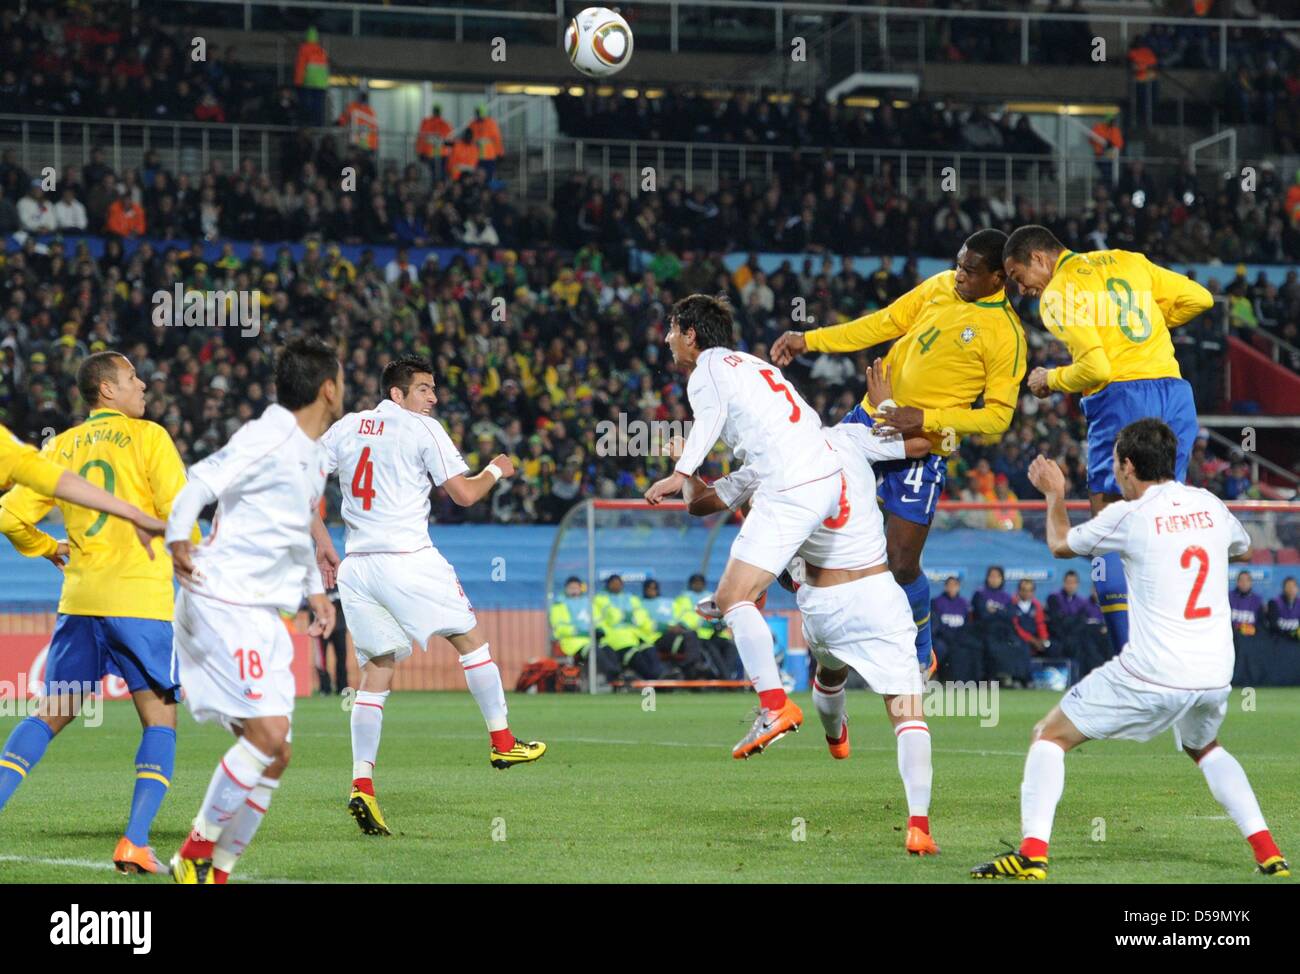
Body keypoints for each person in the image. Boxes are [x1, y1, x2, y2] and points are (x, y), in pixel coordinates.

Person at [972, 419, 1290, 880]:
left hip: (1154, 672)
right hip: (1214, 674)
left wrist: (1055, 494)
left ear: (1128, 465)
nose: (1115, 472)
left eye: (1116, 462)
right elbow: (1240, 549)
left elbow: (1061, 543)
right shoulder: (1209, 504)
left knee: (1048, 735)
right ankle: (1270, 854)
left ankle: (1032, 855)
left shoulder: (1129, 515)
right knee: (1205, 747)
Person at [680, 414, 939, 855]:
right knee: (907, 713)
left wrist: (684, 468)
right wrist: (891, 412)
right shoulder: (846, 437)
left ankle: (835, 735)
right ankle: (918, 827)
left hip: (821, 601)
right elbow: (923, 445)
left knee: (830, 672)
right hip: (876, 590)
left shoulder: (764, 463)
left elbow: (699, 503)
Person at [772, 230, 1026, 677]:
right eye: (959, 263)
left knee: (901, 563)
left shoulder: (1007, 335)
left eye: (970, 270)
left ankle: (921, 651)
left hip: (925, 446)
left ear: (998, 277)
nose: (959, 274)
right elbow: (884, 322)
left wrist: (923, 416)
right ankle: (796, 578)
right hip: (869, 419)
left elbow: (998, 418)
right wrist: (809, 340)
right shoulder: (940, 286)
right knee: (804, 499)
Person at [310, 355, 544, 837]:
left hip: (358, 567)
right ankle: (502, 740)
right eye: (423, 389)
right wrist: (497, 471)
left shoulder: (347, 427)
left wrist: (322, 543)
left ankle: (362, 784)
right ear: (397, 394)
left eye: (433, 389)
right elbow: (462, 494)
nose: (433, 398)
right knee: (471, 641)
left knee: (376, 672)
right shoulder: (423, 429)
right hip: (409, 558)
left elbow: (299, 485)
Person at [164, 337, 342, 884]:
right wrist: (177, 540)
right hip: (222, 597)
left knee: (278, 750)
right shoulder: (268, 434)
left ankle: (218, 870)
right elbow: (199, 479)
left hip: (260, 610)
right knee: (265, 736)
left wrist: (316, 592)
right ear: (329, 389)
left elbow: (293, 535)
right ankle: (193, 852)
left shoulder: (311, 456)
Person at [646, 294, 845, 759]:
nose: (668, 338)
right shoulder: (751, 369)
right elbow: (701, 505)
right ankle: (756, 598)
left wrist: (678, 473)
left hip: (787, 479)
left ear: (691, 334)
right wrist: (689, 471)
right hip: (822, 472)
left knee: (732, 595)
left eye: (673, 329)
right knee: (813, 597)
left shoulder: (708, 369)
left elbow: (710, 419)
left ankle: (774, 705)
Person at [1004, 225, 1213, 662]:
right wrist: (1146, 325)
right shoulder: (1127, 259)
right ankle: (1173, 647)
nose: (1020, 287)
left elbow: (1095, 367)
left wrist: (1050, 379)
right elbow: (1200, 299)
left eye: (1018, 274)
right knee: (1164, 515)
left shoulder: (1058, 294)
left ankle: (1129, 660)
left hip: (1122, 395)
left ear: (1041, 257)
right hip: (1174, 392)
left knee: (1107, 519)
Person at [0, 353, 172, 874]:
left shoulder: (59, 445)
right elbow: (179, 512)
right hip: (139, 597)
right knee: (160, 719)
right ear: (106, 390)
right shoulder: (150, 438)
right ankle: (134, 842)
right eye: (133, 378)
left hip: (80, 600)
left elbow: (8, 517)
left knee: (48, 715)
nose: (144, 384)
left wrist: (49, 548)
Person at [593, 574, 664, 679]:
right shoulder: (599, 599)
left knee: (649, 649)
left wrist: (633, 619)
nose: (616, 586)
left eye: (618, 583)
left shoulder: (631, 599)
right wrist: (620, 618)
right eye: (613, 583)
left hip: (636, 634)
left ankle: (660, 676)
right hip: (616, 637)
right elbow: (598, 619)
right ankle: (653, 677)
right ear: (608, 585)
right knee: (635, 656)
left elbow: (642, 616)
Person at [672, 574, 741, 678]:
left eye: (700, 582)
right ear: (691, 584)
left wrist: (720, 623)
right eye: (695, 582)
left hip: (715, 633)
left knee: (730, 647)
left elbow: (720, 613)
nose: (698, 585)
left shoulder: (711, 597)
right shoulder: (683, 598)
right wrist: (704, 622)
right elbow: (683, 618)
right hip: (697, 636)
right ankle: (726, 679)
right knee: (712, 648)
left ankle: (727, 677)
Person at [632, 579, 703, 678]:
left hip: (675, 634)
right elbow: (642, 622)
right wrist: (666, 627)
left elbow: (685, 614)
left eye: (654, 588)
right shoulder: (640, 604)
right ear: (644, 589)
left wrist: (681, 625)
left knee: (692, 635)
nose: (652, 591)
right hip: (655, 637)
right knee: (691, 638)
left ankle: (691, 666)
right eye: (649, 588)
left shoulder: (669, 603)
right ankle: (689, 666)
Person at [1046, 570, 1111, 678]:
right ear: (1064, 582)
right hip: (1060, 637)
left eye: (1073, 583)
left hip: (1077, 638)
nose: (1070, 585)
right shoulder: (1054, 598)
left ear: (1077, 584)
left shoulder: (1081, 603)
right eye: (1068, 582)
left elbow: (1081, 622)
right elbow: (1056, 621)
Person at [932, 576, 978, 681]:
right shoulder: (936, 602)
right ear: (945, 587)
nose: (952, 588)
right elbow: (935, 625)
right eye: (949, 585)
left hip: (959, 637)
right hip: (942, 637)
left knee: (969, 647)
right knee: (940, 648)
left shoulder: (964, 603)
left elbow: (968, 625)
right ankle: (934, 674)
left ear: (959, 587)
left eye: (955, 585)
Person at [293, 26, 330, 127]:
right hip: (321, 84)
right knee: (318, 106)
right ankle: (318, 125)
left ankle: (306, 123)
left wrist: (298, 82)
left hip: (307, 82)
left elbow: (300, 67)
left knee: (306, 105)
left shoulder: (304, 49)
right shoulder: (321, 50)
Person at [1011, 578, 1051, 658]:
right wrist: (1033, 641)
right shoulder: (1011, 604)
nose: (1027, 593)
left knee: (1052, 647)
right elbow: (1016, 628)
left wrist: (1043, 639)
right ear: (1018, 590)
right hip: (1019, 639)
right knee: (1023, 647)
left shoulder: (1036, 605)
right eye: (1024, 590)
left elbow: (1040, 624)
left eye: (1030, 590)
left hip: (1035, 638)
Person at [416, 104, 453, 183]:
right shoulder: (427, 122)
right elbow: (421, 138)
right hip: (430, 154)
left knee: (439, 175)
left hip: (440, 155)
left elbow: (449, 141)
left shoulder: (444, 124)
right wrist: (420, 152)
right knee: (431, 175)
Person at [1229, 571, 1264, 638]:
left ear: (1251, 583)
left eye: (1247, 580)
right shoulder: (1229, 597)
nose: (1244, 583)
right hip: (1230, 638)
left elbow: (1261, 626)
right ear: (1237, 582)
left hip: (1249, 640)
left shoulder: (1257, 600)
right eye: (1241, 580)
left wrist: (1245, 630)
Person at [1267, 576, 1300, 641]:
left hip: (1296, 643)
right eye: (1288, 587)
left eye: (1293, 587)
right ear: (1283, 589)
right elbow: (1273, 626)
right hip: (1279, 641)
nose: (1291, 589)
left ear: (1297, 589)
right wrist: (1291, 634)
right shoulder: (1274, 603)